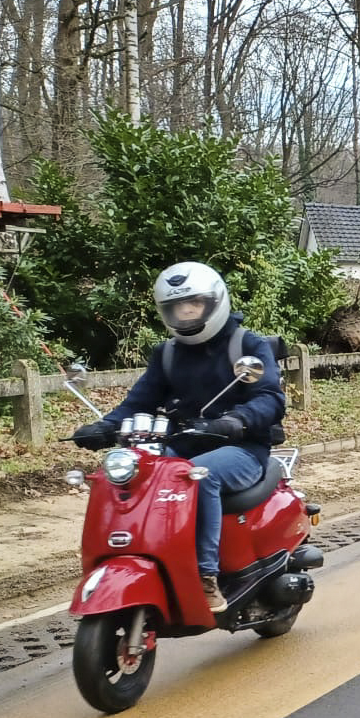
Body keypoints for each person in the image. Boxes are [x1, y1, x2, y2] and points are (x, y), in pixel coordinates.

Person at [70, 262, 286, 615]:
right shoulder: (167, 353)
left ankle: (205, 575)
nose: (185, 313)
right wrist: (104, 427)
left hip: (241, 448)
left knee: (200, 477)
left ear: (214, 302)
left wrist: (236, 420)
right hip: (182, 445)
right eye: (176, 307)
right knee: (130, 473)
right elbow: (138, 402)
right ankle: (132, 558)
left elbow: (269, 398)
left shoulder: (246, 345)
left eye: (194, 305)